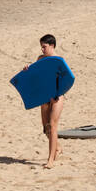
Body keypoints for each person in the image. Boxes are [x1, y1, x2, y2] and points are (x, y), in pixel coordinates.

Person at [25, 34, 67, 169]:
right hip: (44, 97)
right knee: (46, 128)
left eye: (44, 47)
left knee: (53, 126)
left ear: (52, 46)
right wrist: (27, 69)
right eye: (41, 47)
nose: (42, 49)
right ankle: (58, 148)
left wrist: (57, 93)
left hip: (57, 97)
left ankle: (50, 160)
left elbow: (65, 81)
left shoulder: (59, 60)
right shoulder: (40, 59)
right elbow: (35, 76)